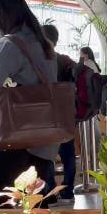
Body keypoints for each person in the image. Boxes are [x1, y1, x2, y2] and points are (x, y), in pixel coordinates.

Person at [0, 0, 58, 208]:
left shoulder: (9, 43)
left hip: (18, 135)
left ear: (0, 15)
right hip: (46, 134)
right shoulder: (44, 43)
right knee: (35, 202)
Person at [40, 24, 77, 202]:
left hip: (46, 115)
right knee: (68, 154)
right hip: (66, 114)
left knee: (46, 155)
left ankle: (50, 191)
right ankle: (68, 189)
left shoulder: (39, 61)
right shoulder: (66, 60)